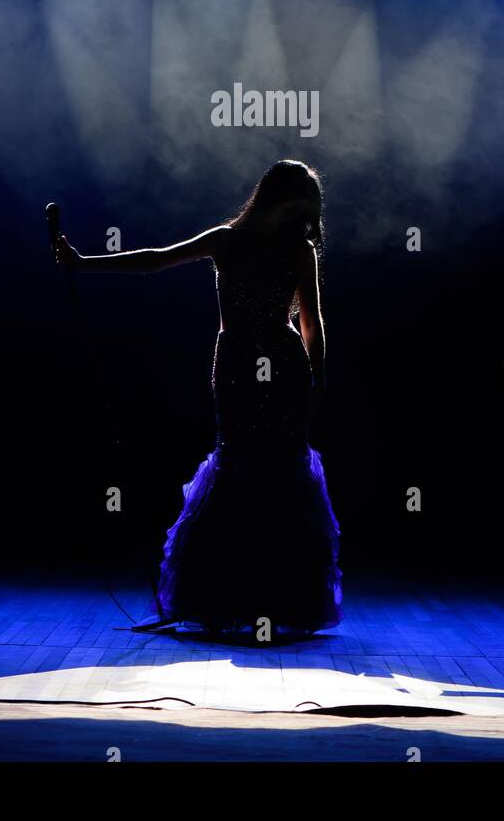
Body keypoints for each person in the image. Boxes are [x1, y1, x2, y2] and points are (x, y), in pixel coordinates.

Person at [56, 158, 342, 637]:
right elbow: (155, 258)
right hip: (235, 369)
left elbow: (312, 322)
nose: (305, 218)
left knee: (282, 471)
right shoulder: (226, 240)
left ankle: (281, 599)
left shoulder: (300, 250)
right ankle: (224, 596)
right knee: (236, 465)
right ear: (275, 200)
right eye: (298, 206)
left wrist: (319, 378)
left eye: (309, 210)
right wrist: (84, 263)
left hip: (283, 367)